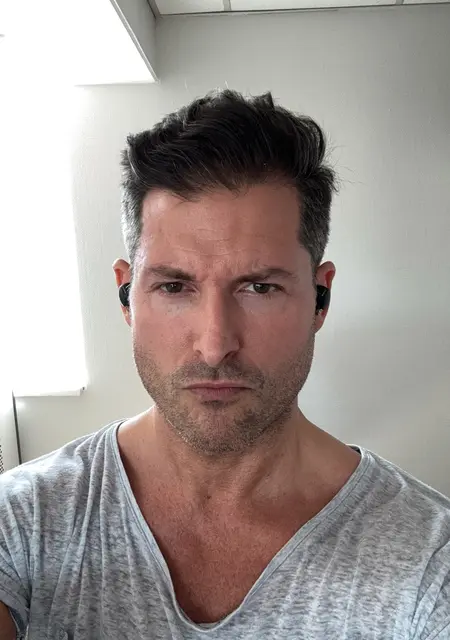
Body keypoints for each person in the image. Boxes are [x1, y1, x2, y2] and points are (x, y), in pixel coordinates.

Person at [1, 90, 449, 640]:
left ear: (320, 298)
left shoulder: (430, 560)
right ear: (126, 295)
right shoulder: (23, 521)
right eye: (174, 286)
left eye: (259, 287)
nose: (215, 346)